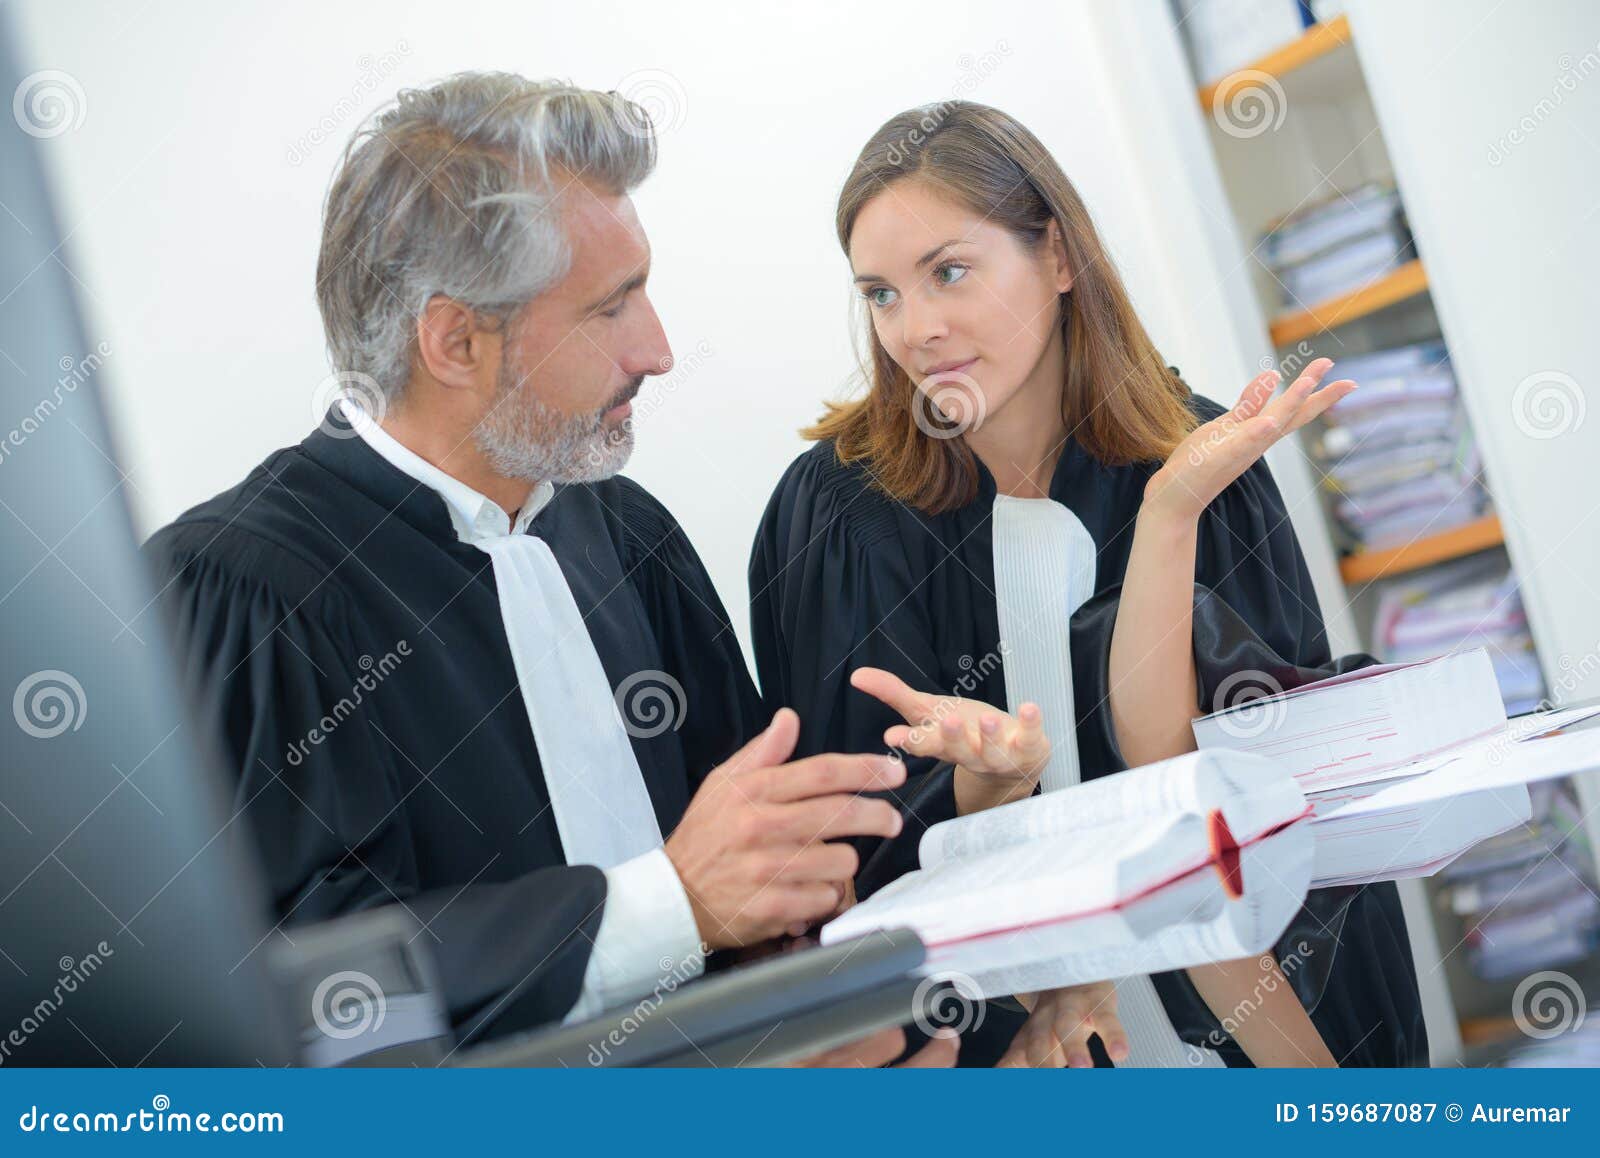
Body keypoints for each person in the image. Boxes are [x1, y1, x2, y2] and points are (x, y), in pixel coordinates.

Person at [144, 72, 914, 1051]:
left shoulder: (627, 533)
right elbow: (302, 988)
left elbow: (760, 864)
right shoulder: (242, 590)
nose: (660, 350)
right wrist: (666, 905)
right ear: (456, 341)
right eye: (610, 308)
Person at [749, 101, 1429, 1068]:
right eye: (881, 294)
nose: (917, 330)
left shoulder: (1195, 464)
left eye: (949, 272)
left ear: (1058, 260)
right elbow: (849, 874)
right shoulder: (836, 518)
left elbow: (1260, 812)